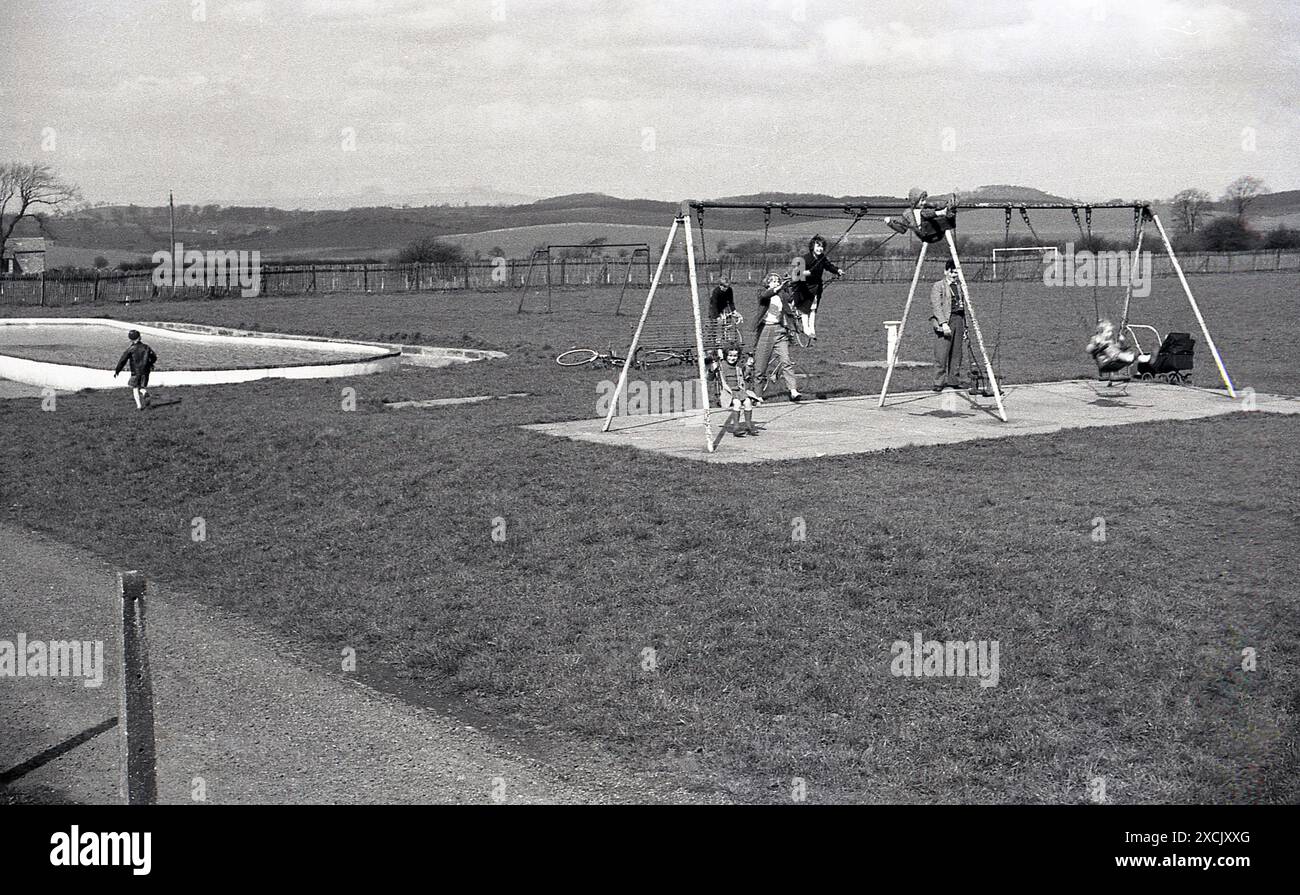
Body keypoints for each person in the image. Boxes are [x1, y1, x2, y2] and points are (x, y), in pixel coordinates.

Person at [752, 272, 802, 403]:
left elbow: (792, 299)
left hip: (780, 330)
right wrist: (778, 288)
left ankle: (793, 390)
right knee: (760, 366)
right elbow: (765, 295)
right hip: (765, 330)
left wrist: (796, 284)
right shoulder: (762, 292)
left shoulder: (781, 295)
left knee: (786, 361)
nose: (775, 282)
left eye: (777, 281)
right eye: (772, 280)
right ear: (767, 283)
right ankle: (757, 394)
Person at [788, 234, 842, 341]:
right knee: (805, 308)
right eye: (817, 246)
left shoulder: (822, 258)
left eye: (821, 247)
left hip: (816, 287)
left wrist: (837, 270)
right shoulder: (805, 259)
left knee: (813, 309)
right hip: (804, 287)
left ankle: (812, 330)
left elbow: (829, 266)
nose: (820, 249)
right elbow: (796, 274)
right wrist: (804, 273)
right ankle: (806, 329)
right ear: (813, 247)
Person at [928, 260, 967, 391]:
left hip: (958, 319)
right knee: (941, 353)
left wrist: (964, 326)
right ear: (946, 272)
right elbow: (936, 306)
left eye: (956, 272)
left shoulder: (960, 286)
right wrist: (943, 323)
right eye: (952, 272)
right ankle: (938, 382)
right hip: (945, 320)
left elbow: (963, 307)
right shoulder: (938, 286)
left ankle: (954, 380)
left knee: (957, 353)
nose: (954, 275)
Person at [709, 342, 760, 437]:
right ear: (725, 355)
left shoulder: (738, 366)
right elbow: (710, 378)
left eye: (735, 356)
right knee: (737, 403)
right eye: (730, 356)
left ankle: (749, 426)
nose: (732, 358)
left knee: (748, 402)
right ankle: (736, 427)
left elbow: (744, 376)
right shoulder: (721, 366)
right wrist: (712, 369)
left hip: (739, 390)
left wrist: (749, 366)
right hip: (727, 391)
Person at [113, 329, 158, 410]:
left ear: (130, 339)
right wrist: (150, 363)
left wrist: (117, 370)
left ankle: (139, 406)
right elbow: (154, 357)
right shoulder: (146, 347)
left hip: (135, 372)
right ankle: (144, 393)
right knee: (142, 387)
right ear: (140, 337)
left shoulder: (131, 349)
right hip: (145, 371)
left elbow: (122, 360)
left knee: (135, 388)